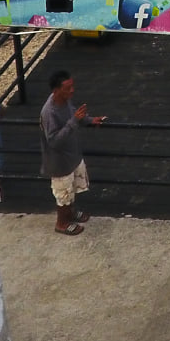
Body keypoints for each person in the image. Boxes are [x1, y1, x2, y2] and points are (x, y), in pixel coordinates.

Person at [40, 68, 105, 234]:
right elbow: (54, 141)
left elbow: (74, 117)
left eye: (72, 86)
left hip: (72, 157)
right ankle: (62, 223)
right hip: (60, 163)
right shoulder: (49, 112)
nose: (72, 90)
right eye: (68, 88)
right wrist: (75, 120)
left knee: (71, 190)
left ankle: (70, 213)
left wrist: (89, 120)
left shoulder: (65, 101)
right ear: (56, 90)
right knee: (63, 195)